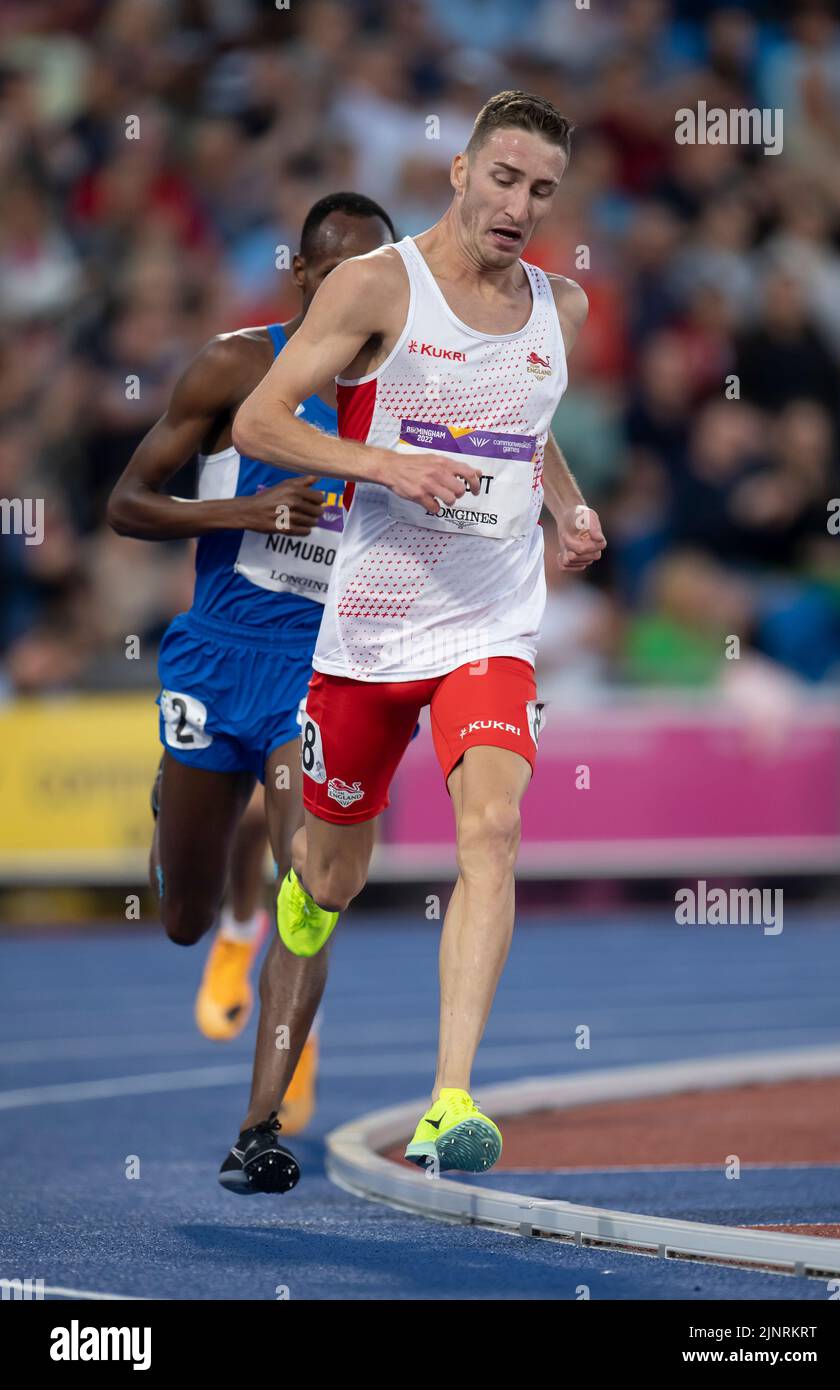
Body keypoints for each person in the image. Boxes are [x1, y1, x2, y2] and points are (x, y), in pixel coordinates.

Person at [229, 91, 606, 1192]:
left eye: (541, 190)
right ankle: (299, 891)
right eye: (504, 179)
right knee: (331, 871)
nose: (519, 206)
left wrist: (566, 507)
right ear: (460, 173)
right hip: (371, 632)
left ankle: (451, 1103)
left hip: (491, 624)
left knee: (491, 829)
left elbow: (527, 436)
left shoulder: (561, 307)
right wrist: (386, 466)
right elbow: (261, 420)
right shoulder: (376, 284)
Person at [107, 192, 396, 1155]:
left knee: (309, 883)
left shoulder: (407, 393)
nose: (370, 299)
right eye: (349, 278)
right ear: (307, 281)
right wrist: (243, 512)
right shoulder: (237, 365)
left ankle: (258, 1123)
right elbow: (128, 503)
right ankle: (214, 892)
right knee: (182, 920)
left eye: (384, 278)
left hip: (319, 674)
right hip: (214, 658)